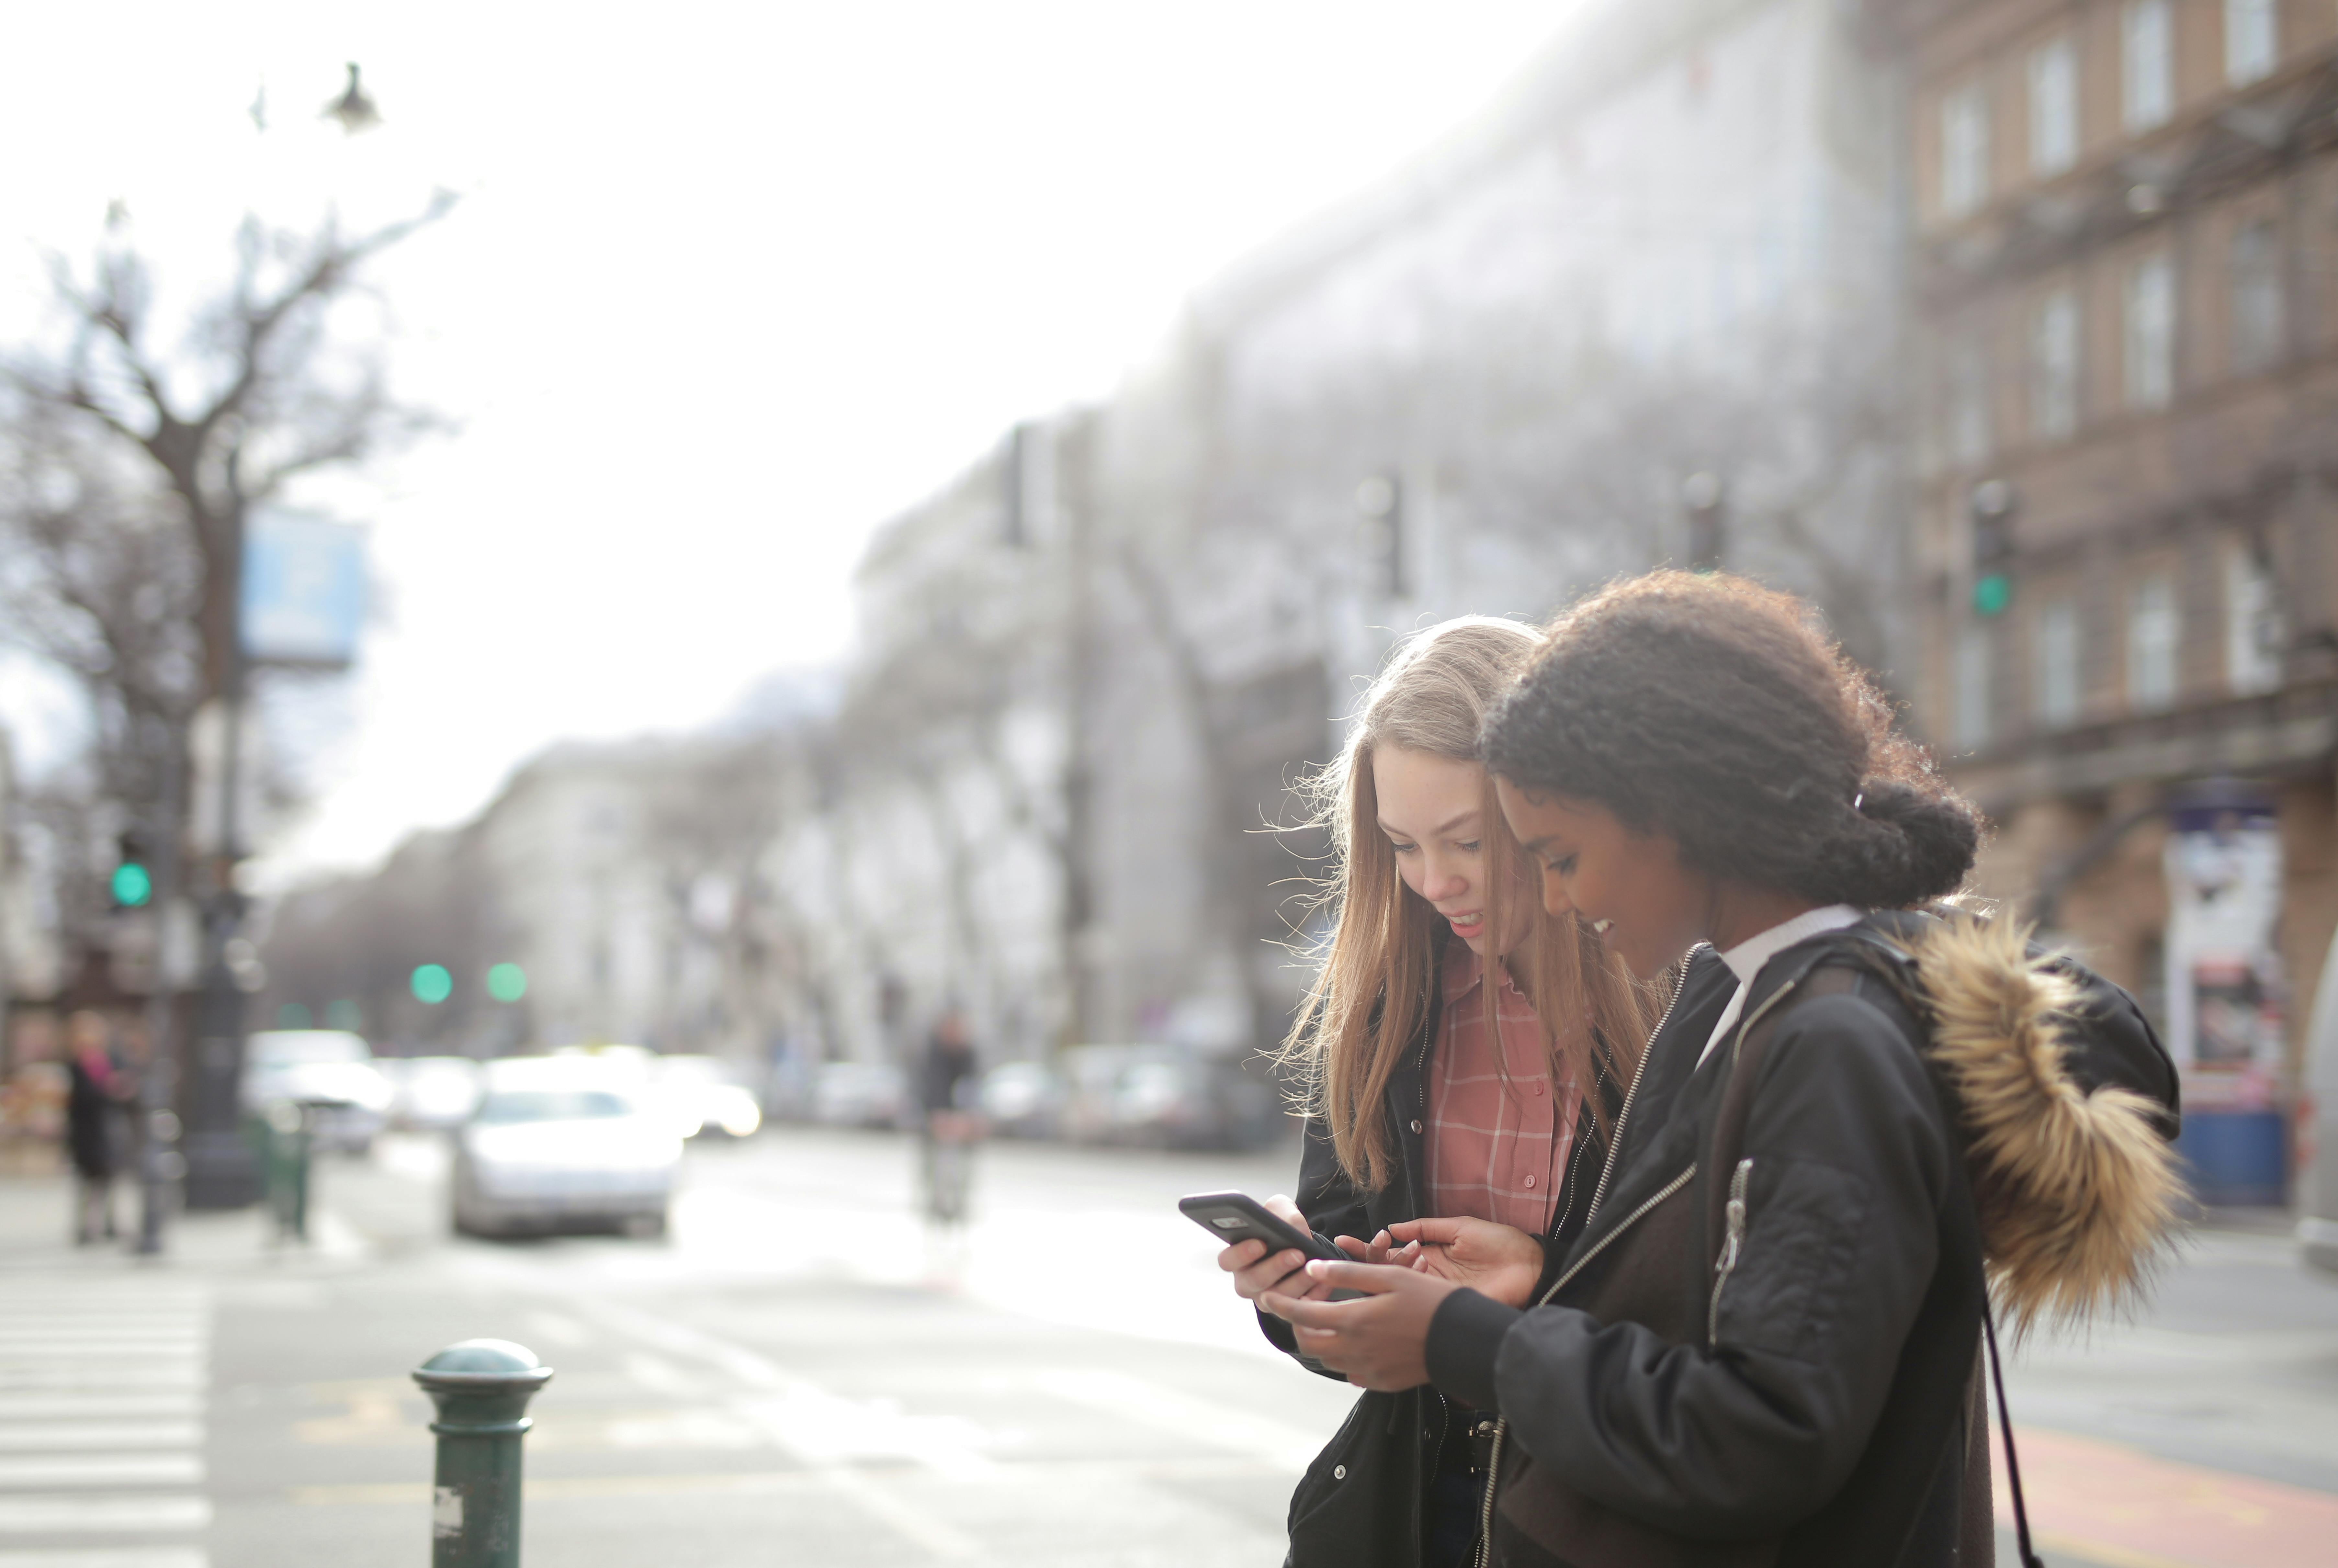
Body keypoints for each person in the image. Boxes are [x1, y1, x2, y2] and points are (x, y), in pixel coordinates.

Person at [1262, 573, 2182, 1566]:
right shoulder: (1742, 998)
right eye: (1404, 846)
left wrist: (1469, 1337)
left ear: (1666, 812)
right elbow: (1706, 1324)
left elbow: (1755, 1434)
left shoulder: (1821, 1032)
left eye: (1553, 854)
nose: (1559, 897)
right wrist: (1521, 1290)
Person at [1215, 617, 1654, 1568]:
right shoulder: (1381, 1002)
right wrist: (1304, 1298)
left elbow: (1715, 1329)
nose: (1432, 882)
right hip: (1412, 1511)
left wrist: (1521, 1296)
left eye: (1464, 840)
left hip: (1608, 1518)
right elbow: (1352, 1303)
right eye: (1401, 845)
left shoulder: (1668, 995)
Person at [65, 1010, 132, 1245]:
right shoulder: (77, 1064)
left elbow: (129, 1085)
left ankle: (110, 1223)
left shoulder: (111, 1059)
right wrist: (108, 1088)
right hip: (86, 1132)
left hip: (109, 1129)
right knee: (87, 1182)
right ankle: (85, 1227)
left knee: (111, 1179)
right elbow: (81, 1097)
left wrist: (121, 1087)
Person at [917, 1008, 982, 1228]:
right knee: (935, 1162)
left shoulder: (968, 1054)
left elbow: (972, 1087)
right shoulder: (933, 1054)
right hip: (935, 1121)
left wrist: (969, 1117)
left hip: (960, 1122)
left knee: (963, 1163)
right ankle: (935, 1204)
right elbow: (932, 1088)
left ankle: (959, 1203)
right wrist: (939, 1115)